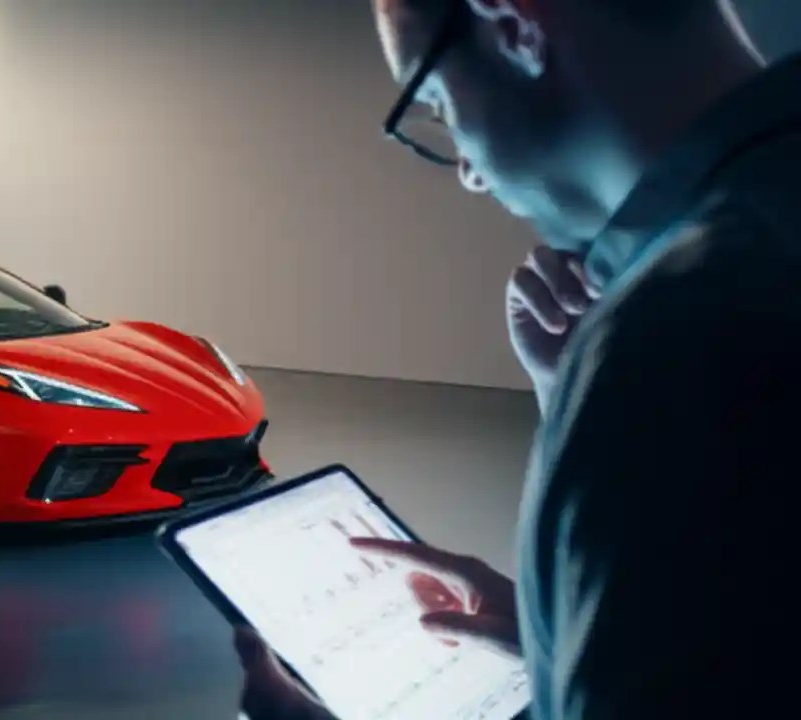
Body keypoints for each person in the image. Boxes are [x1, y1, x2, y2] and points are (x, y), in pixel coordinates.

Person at [235, 0, 801, 718]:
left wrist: (608, 398)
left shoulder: (685, 326)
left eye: (437, 101)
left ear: (512, 24)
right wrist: (559, 628)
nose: (469, 172)